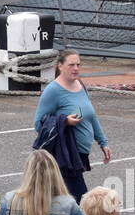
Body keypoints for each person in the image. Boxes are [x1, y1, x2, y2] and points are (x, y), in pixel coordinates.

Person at [32, 50, 111, 199]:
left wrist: (103, 142)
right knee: (82, 202)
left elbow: (90, 116)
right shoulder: (53, 91)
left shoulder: (80, 85)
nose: (76, 68)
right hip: (65, 156)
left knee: (63, 201)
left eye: (78, 65)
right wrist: (65, 121)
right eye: (71, 65)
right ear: (60, 66)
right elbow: (38, 124)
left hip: (79, 155)